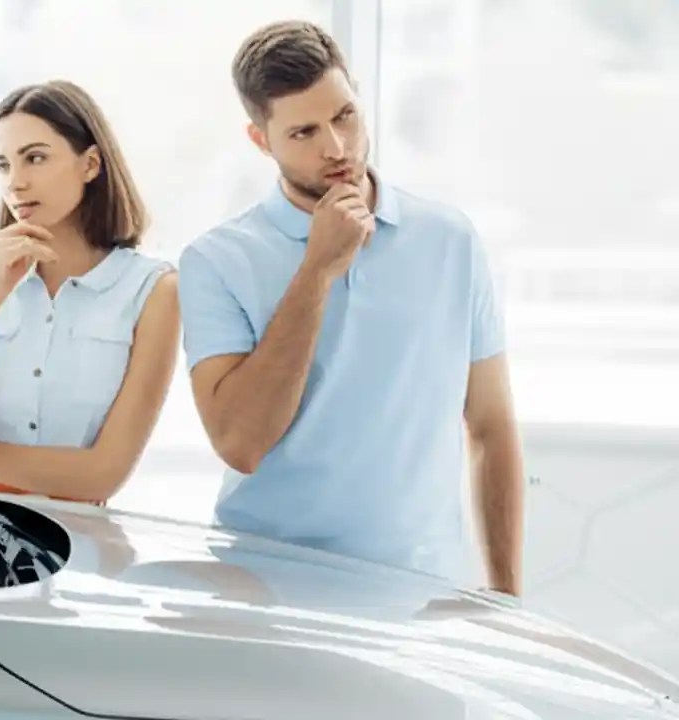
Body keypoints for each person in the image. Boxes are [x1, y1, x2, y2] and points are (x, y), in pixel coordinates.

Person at [177, 21, 525, 593]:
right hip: (266, 586)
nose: (335, 148)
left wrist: (506, 596)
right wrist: (318, 269)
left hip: (421, 583)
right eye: (304, 132)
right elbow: (241, 443)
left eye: (344, 116)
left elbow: (490, 425)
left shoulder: (450, 239)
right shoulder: (215, 261)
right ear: (261, 140)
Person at [0, 80, 180, 505]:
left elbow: (102, 476)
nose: (16, 183)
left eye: (35, 158)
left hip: (74, 545)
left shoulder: (154, 291)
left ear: (91, 164)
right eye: (3, 165)